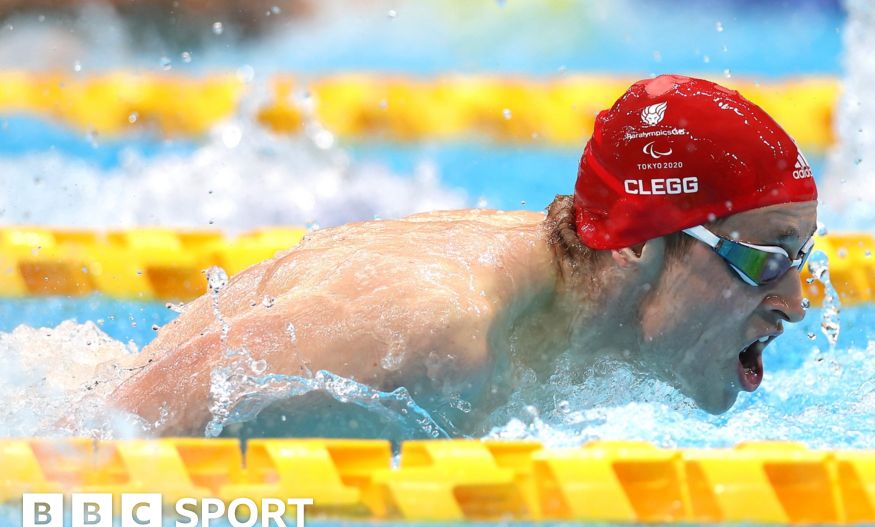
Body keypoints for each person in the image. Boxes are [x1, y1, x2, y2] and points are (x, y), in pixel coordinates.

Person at [108, 74, 818, 436]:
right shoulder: (429, 328)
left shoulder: (576, 303)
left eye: (804, 257)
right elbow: (102, 444)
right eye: (765, 259)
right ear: (637, 246)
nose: (796, 303)